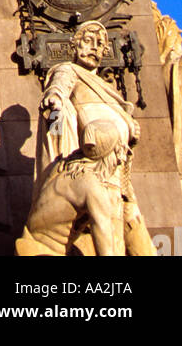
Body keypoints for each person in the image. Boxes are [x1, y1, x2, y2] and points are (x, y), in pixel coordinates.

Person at [16, 21, 154, 256]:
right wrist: (55, 98)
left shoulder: (107, 88)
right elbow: (59, 87)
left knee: (132, 222)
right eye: (88, 41)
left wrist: (130, 128)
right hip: (93, 166)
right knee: (114, 227)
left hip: (118, 169)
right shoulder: (69, 71)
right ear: (75, 44)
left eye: (100, 44)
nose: (94, 48)